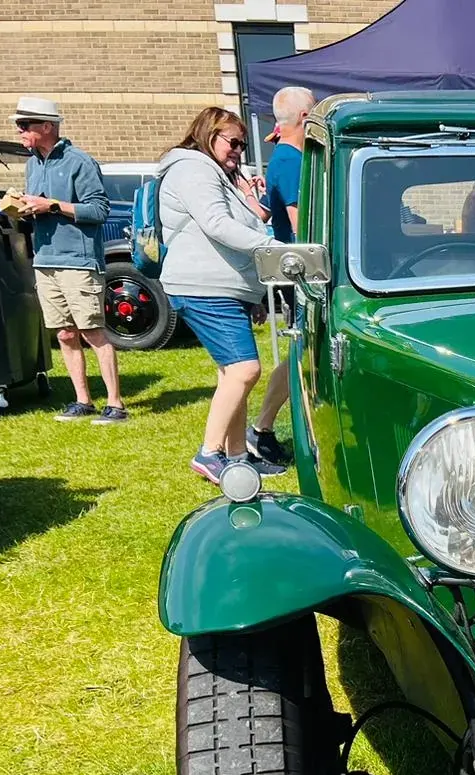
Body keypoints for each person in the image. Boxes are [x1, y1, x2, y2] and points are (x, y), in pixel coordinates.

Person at [157, 106, 285, 485]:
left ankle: (237, 456)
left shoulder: (217, 173)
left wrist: (256, 292)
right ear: (208, 134)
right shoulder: (192, 169)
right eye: (233, 142)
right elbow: (218, 225)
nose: (238, 151)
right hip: (204, 287)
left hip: (222, 286)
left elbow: (243, 220)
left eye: (243, 144)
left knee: (232, 375)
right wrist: (273, 248)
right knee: (246, 371)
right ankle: (209, 453)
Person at [13, 96, 125, 424]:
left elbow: (99, 210)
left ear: (47, 127)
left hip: (79, 260)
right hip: (45, 259)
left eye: (25, 125)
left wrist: (52, 205)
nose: (20, 131)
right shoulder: (32, 163)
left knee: (92, 331)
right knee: (64, 333)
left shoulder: (80, 162)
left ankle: (116, 404)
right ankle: (82, 401)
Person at [248, 85, 315, 468]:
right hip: (304, 275)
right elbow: (300, 223)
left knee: (300, 354)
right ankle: (262, 429)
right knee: (299, 354)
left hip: (301, 274)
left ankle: (264, 429)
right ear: (305, 118)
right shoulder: (290, 161)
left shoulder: (285, 158)